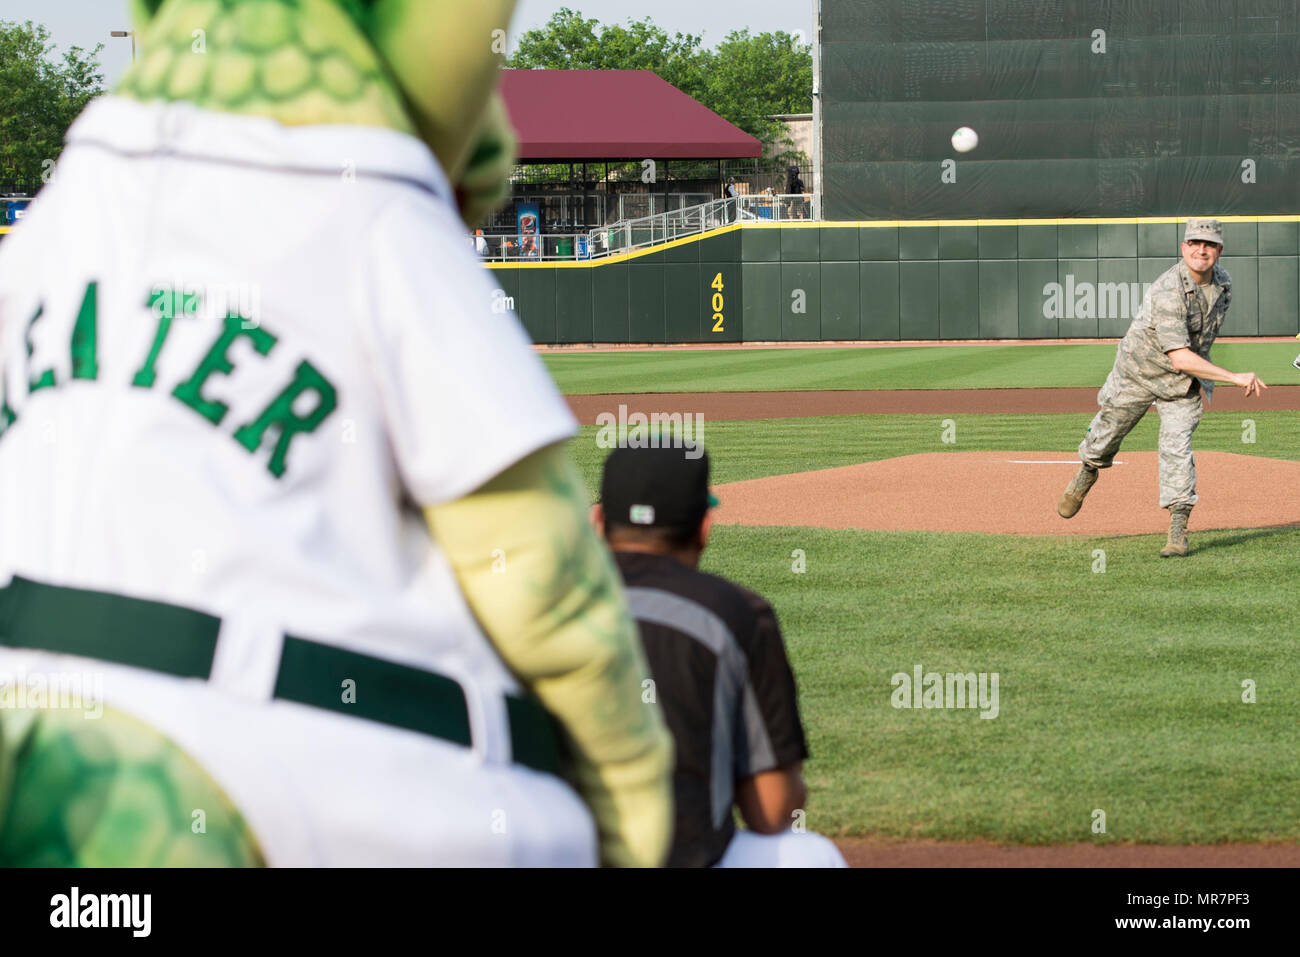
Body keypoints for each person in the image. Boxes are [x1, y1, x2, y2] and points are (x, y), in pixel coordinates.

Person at [0, 0, 672, 867]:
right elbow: (539, 576)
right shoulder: (375, 207)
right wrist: (629, 784)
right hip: (306, 775)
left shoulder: (48, 228)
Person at [592, 444, 847, 868]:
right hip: (684, 857)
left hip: (546, 852)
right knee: (810, 855)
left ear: (597, 522)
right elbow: (772, 808)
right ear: (705, 527)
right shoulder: (737, 613)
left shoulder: (535, 612)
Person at [1057, 218, 1267, 557]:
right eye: (1195, 243)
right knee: (1106, 436)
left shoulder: (1224, 283)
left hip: (1181, 383)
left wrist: (1202, 379)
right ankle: (1088, 470)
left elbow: (1198, 345)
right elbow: (1180, 355)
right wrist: (1234, 377)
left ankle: (1177, 531)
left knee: (1177, 448)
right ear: (1183, 248)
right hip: (1139, 371)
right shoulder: (1168, 289)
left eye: (1209, 244)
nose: (1202, 249)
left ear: (1219, 251)